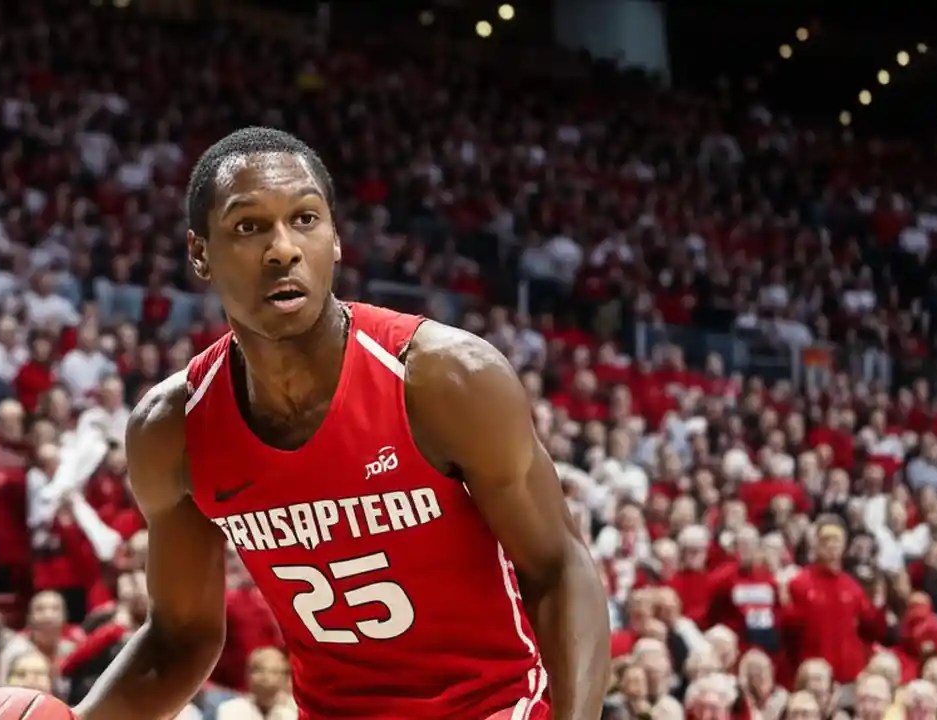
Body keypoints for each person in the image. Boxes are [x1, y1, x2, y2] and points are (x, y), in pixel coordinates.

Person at [75, 127, 611, 720]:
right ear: (200, 253)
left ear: (335, 240)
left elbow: (561, 569)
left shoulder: (444, 378)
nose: (283, 248)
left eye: (305, 219)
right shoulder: (171, 429)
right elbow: (179, 638)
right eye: (248, 226)